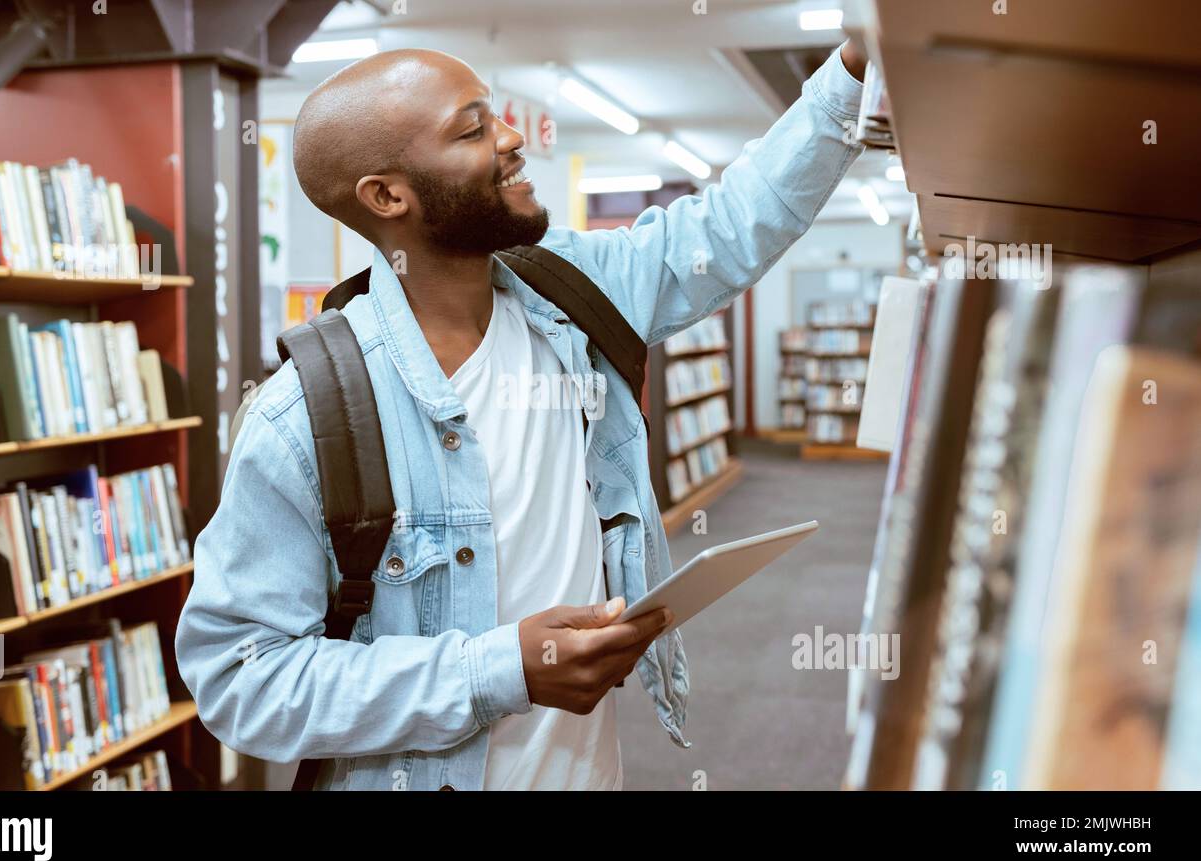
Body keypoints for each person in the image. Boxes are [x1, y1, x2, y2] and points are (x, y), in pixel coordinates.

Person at [175, 40, 867, 791]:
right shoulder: (305, 416)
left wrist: (853, 69)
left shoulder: (566, 295)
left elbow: (729, 227)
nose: (511, 139)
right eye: (471, 131)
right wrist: (500, 670)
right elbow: (241, 677)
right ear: (387, 197)